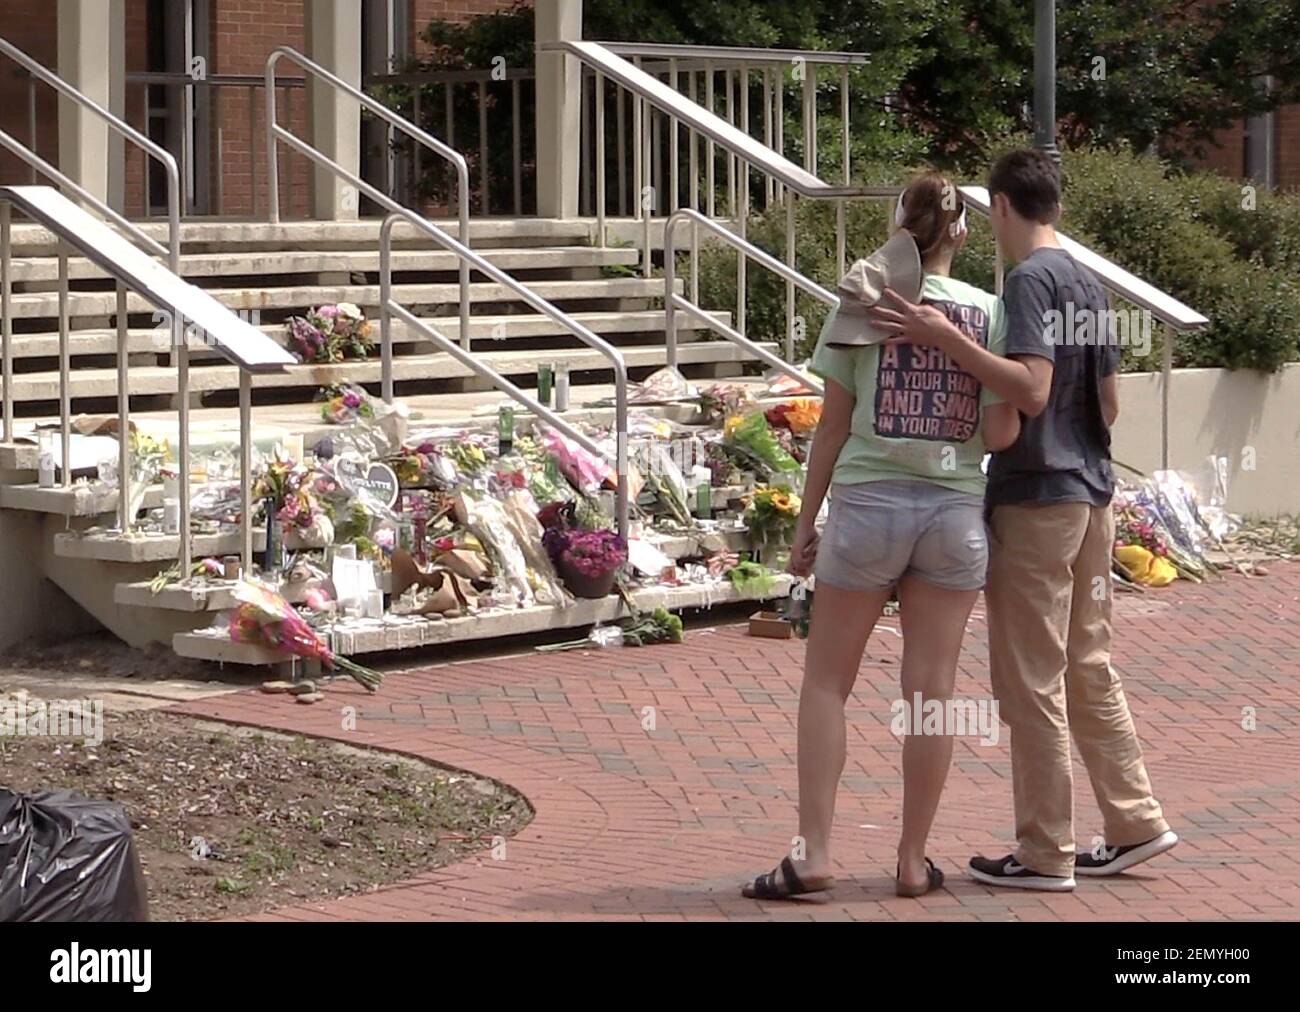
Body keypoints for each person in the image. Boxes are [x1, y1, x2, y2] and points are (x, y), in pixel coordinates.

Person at [867, 149, 1177, 891]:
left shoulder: (1031, 281)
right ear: (1056, 206)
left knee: (1030, 678)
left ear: (1003, 206)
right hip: (1092, 493)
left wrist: (949, 341)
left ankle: (1045, 851)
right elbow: (1108, 404)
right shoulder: (1086, 280)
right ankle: (1134, 821)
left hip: (1037, 497)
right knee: (1087, 665)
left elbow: (1031, 390)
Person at [742, 172, 1021, 900]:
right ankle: (912, 858)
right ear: (962, 231)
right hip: (953, 514)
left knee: (827, 683)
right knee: (931, 692)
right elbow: (998, 427)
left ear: (901, 226)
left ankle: (814, 855)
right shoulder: (989, 312)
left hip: (867, 508)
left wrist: (805, 525)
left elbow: (830, 427)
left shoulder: (863, 300)